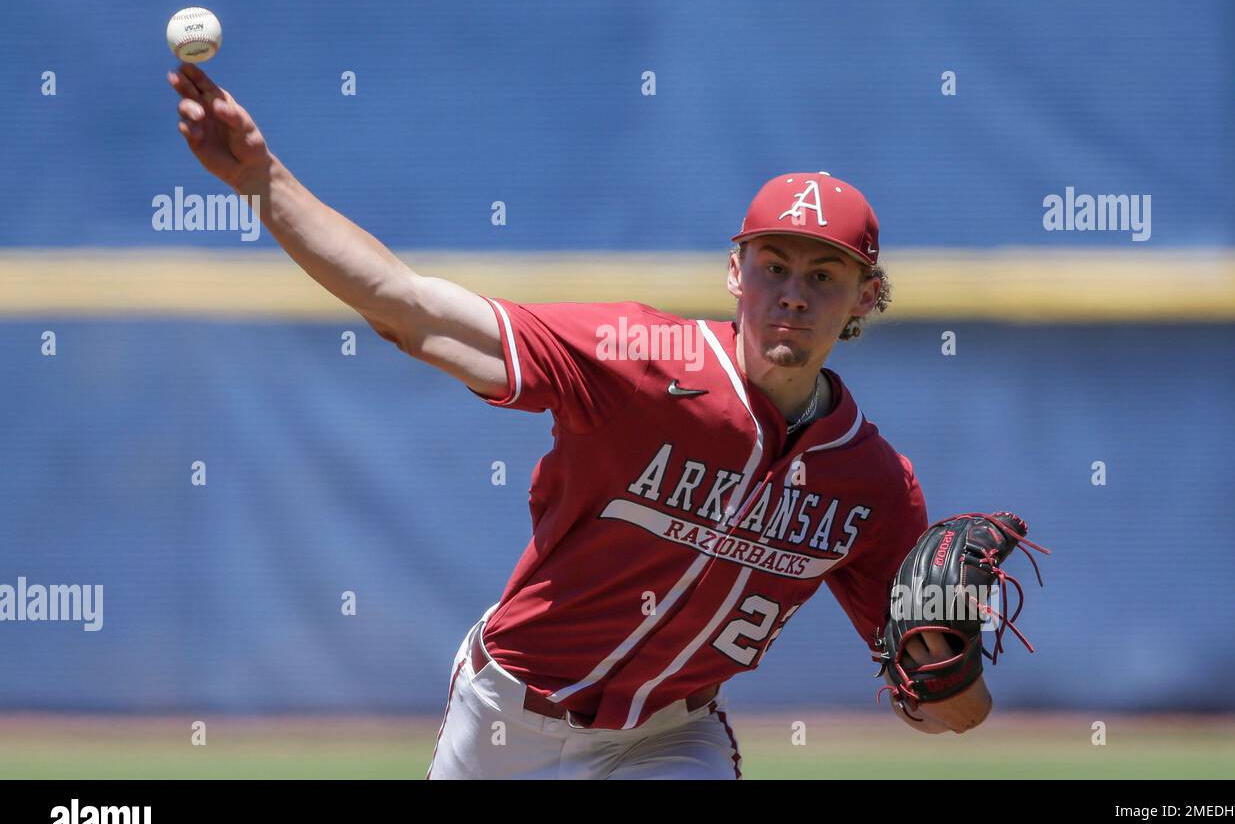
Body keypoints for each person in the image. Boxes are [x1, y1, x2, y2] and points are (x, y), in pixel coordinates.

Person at [167, 62, 994, 780]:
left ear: (865, 300)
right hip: (507, 720)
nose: (793, 293)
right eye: (772, 265)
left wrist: (946, 678)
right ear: (734, 273)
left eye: (825, 275)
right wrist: (263, 183)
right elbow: (407, 309)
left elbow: (949, 716)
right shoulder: (636, 361)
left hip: (668, 740)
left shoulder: (876, 486)